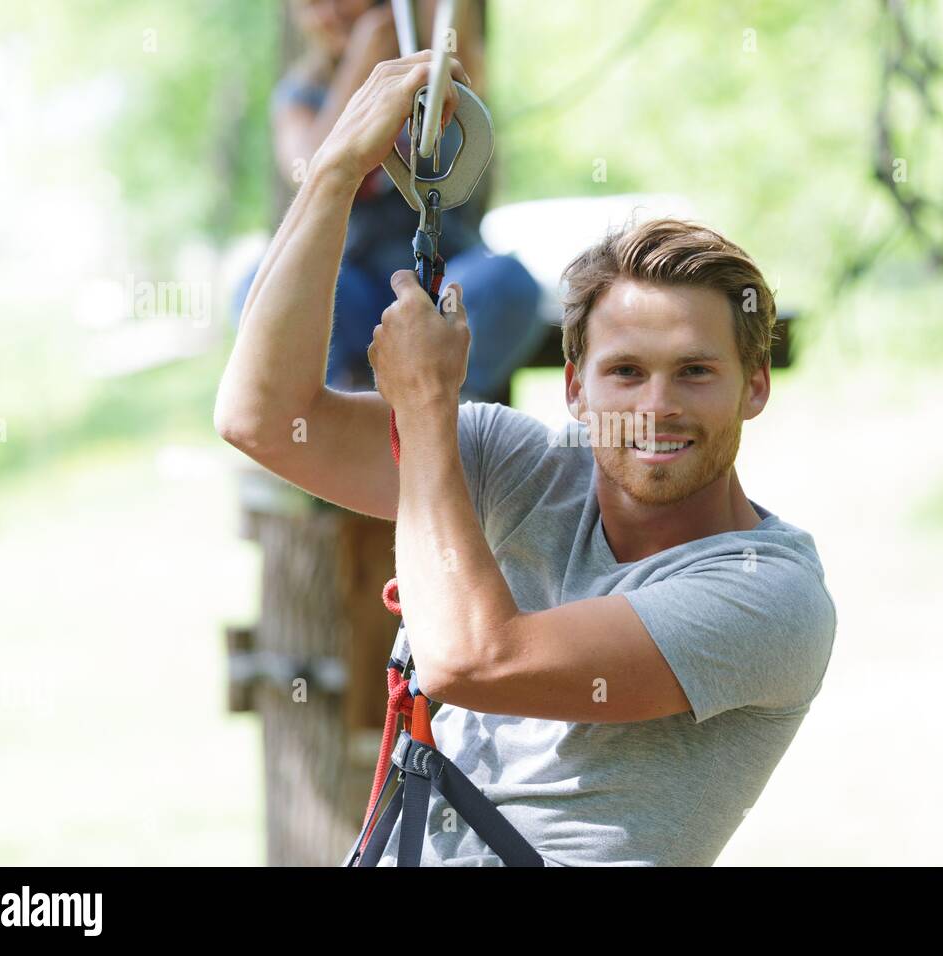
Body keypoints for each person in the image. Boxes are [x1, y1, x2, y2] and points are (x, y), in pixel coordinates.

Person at [215, 53, 838, 866]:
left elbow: (475, 658)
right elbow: (264, 418)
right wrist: (334, 170)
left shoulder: (770, 594)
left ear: (754, 385)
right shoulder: (516, 465)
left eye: (694, 371)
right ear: (575, 387)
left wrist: (426, 407)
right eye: (625, 373)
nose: (657, 408)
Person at [233, 0, 545, 399]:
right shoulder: (302, 92)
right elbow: (310, 170)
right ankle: (344, 411)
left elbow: (452, 21)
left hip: (445, 276)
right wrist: (361, 66)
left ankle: (440, 408)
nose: (329, 15)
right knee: (256, 284)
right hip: (351, 289)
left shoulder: (437, 64)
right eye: (311, 6)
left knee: (507, 281)